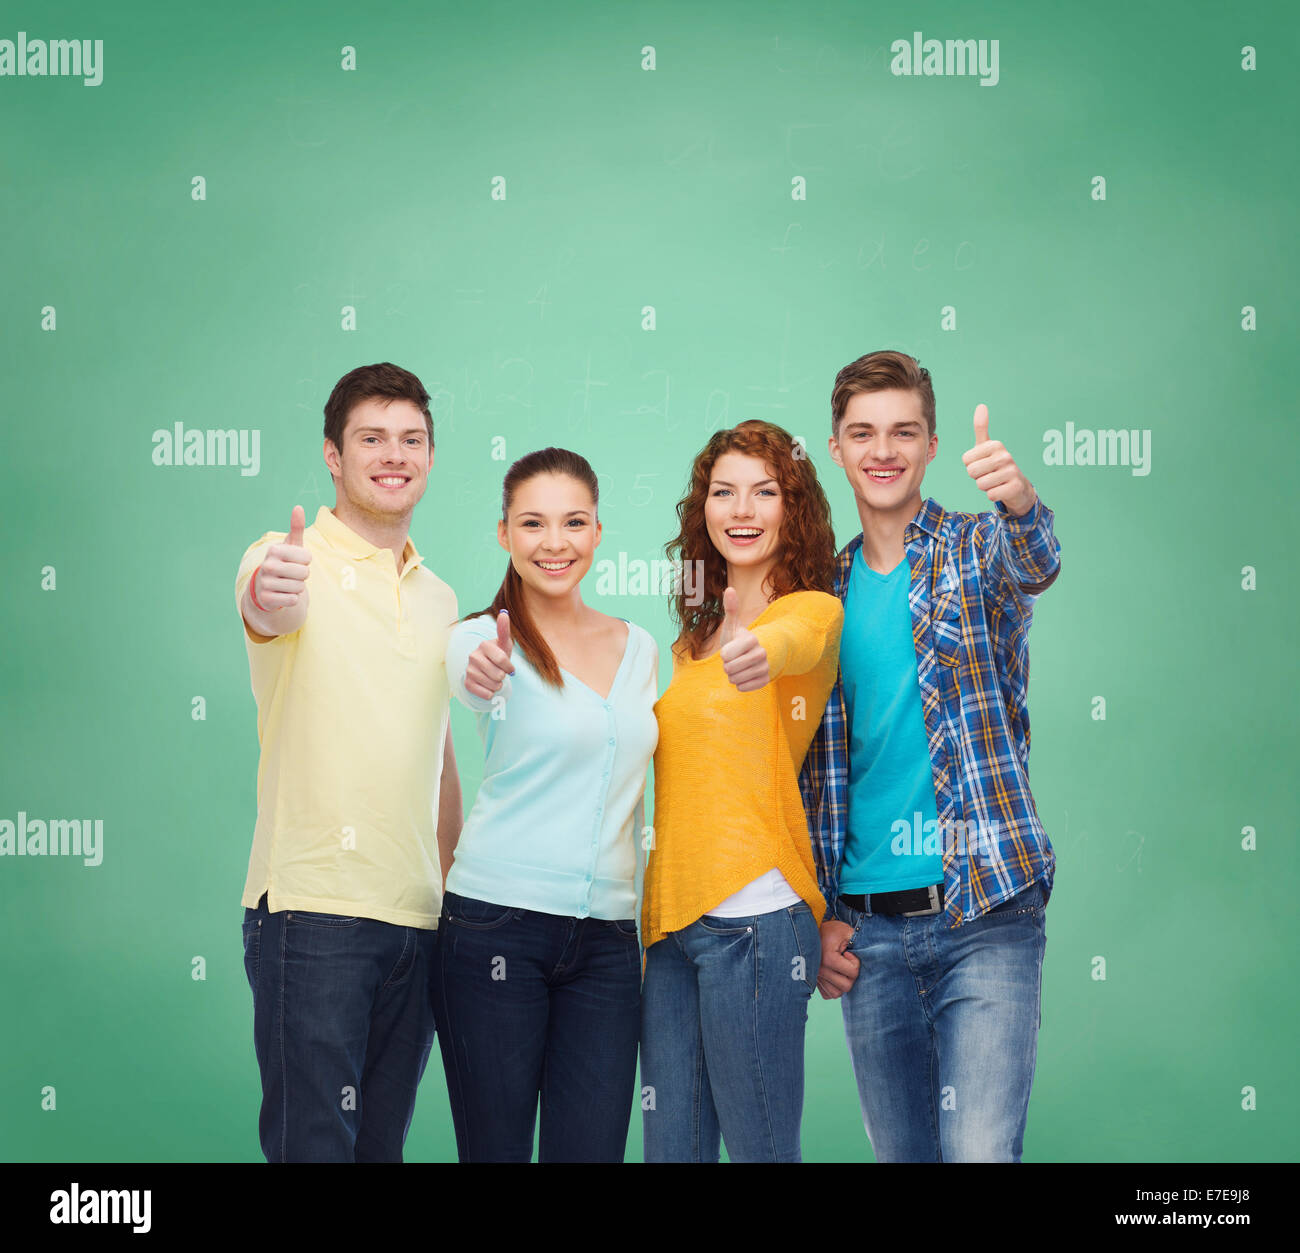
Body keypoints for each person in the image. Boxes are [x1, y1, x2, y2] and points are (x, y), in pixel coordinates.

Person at [802, 349, 1061, 1162]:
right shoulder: (820, 595)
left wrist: (1019, 501)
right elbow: (814, 776)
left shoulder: (976, 550)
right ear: (837, 448)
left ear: (933, 444)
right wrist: (821, 916)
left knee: (979, 1153)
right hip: (868, 932)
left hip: (985, 913)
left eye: (904, 432)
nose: (884, 450)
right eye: (864, 433)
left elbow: (1036, 561)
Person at [234, 362, 462, 1162]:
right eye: (372, 438)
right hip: (313, 912)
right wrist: (275, 588)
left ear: (431, 458)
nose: (393, 455)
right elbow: (268, 602)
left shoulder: (439, 597)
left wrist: (452, 891)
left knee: (378, 1153)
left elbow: (437, 756)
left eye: (411, 440)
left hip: (416, 920)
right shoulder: (284, 554)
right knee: (315, 1149)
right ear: (334, 455)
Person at [433, 447, 659, 1163]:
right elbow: (474, 681)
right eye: (532, 523)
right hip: (495, 927)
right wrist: (485, 671)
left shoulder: (641, 648)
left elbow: (640, 785)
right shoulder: (478, 640)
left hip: (608, 944)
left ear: (597, 532)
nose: (553, 542)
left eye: (573, 522)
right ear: (504, 533)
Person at [639, 420, 843, 1163]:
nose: (742, 508)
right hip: (669, 932)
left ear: (793, 507)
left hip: (755, 925)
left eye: (765, 490)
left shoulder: (811, 611)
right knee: (672, 1153)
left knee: (762, 1151)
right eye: (724, 492)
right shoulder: (688, 644)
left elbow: (793, 643)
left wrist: (756, 646)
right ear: (705, 511)